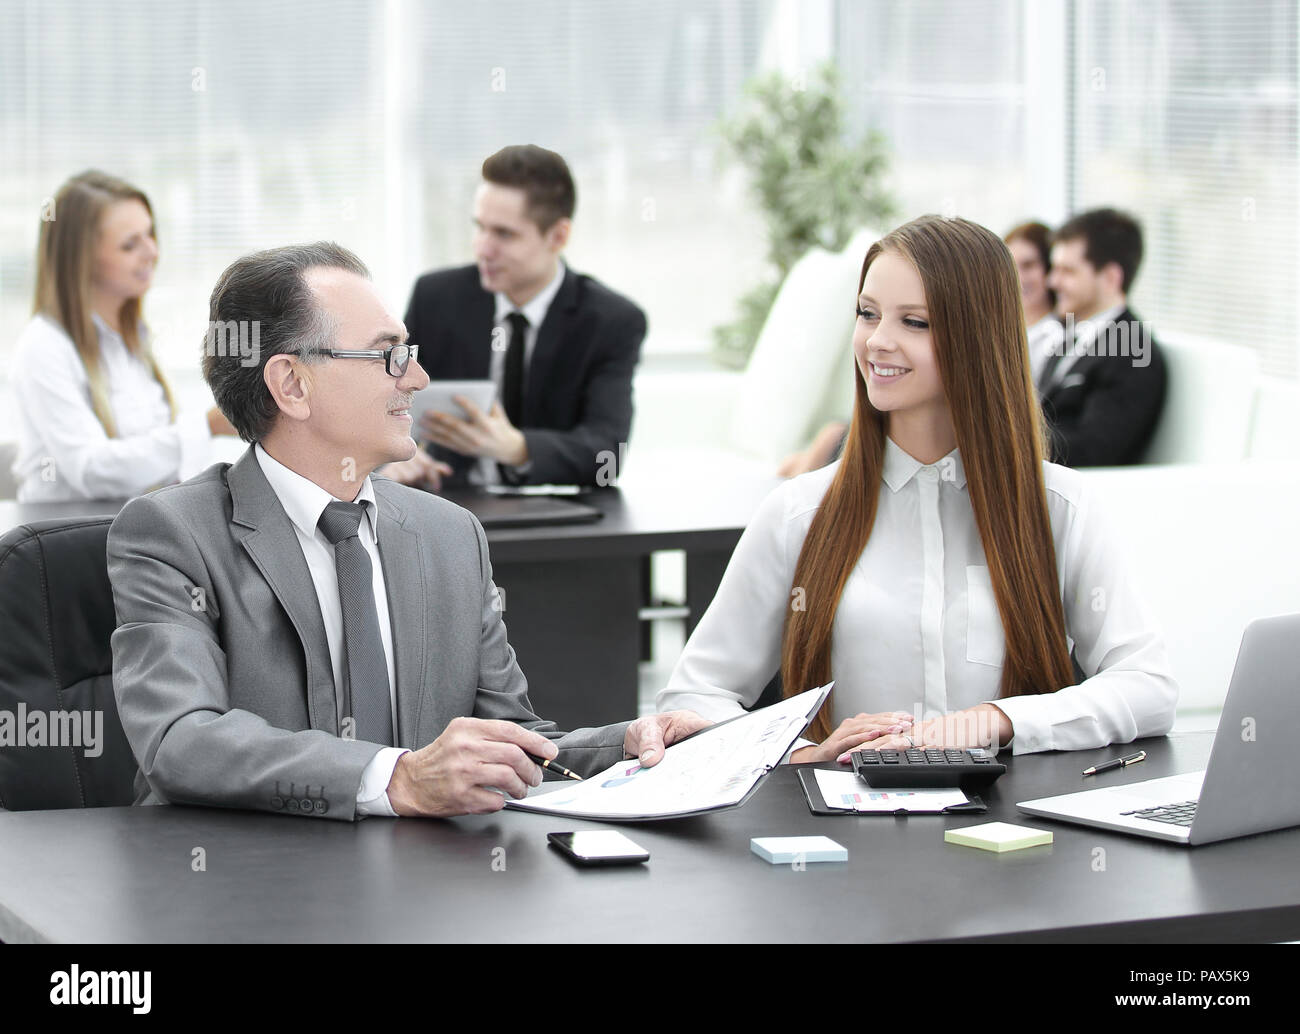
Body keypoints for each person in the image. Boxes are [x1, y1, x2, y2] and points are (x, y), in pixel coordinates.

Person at [107, 241, 704, 821]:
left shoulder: (449, 534)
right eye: (389, 354)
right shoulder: (172, 534)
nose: (417, 377)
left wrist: (625, 744)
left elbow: (512, 744)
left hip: (417, 897)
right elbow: (180, 740)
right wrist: (397, 778)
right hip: (246, 896)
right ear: (292, 385)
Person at [657, 215, 1177, 763]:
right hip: (844, 837)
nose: (878, 342)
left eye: (915, 322)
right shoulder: (797, 514)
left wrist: (997, 721)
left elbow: (1148, 687)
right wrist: (793, 754)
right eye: (868, 314)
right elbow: (693, 698)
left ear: (979, 339)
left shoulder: (1060, 507)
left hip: (1020, 836)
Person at [392, 144, 646, 489]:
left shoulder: (611, 321)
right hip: (448, 502)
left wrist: (517, 449)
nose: (482, 248)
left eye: (504, 234)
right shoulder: (437, 297)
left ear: (558, 236)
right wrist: (393, 458)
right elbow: (385, 400)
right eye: (480, 227)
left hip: (556, 518)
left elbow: (606, 455)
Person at [10, 170, 236, 501]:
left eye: (150, 234)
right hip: (71, 540)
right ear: (81, 261)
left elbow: (152, 453)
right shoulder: (45, 346)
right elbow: (91, 470)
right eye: (130, 245)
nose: (152, 252)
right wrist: (206, 426)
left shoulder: (132, 338)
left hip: (128, 525)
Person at [1039, 208, 1167, 467]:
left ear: (1110, 277)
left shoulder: (1133, 352)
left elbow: (1093, 450)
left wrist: (1003, 441)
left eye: (1068, 271)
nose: (1052, 282)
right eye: (1054, 269)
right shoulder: (1068, 337)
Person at [1004, 220, 1060, 383]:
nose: (1019, 278)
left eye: (1028, 265)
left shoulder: (1060, 337)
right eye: (1011, 267)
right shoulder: (999, 329)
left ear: (1050, 268)